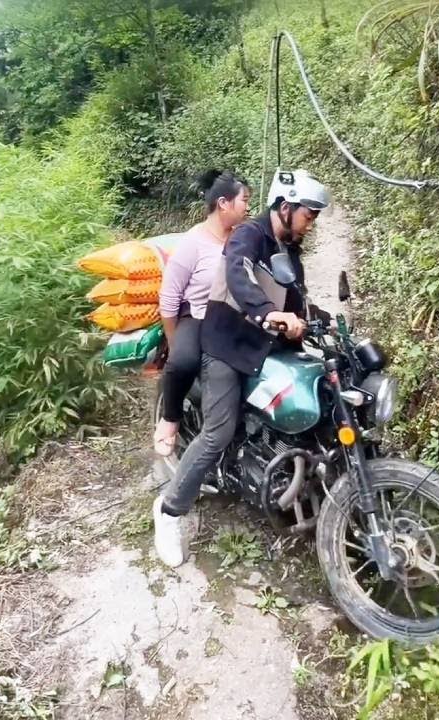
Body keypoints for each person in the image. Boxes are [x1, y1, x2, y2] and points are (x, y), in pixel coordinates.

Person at [152, 169, 331, 568]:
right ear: (285, 208)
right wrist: (269, 313)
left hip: (265, 347)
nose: (311, 224)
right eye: (309, 215)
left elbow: (296, 301)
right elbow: (238, 275)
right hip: (226, 344)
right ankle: (168, 511)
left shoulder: (289, 252)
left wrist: (321, 321)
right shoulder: (248, 235)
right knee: (217, 433)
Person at [153, 170, 252, 457]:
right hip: (198, 315)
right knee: (183, 362)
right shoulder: (193, 242)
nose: (248, 207)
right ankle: (170, 418)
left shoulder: (243, 238)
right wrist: (174, 342)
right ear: (224, 203)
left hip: (233, 317)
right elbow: (170, 295)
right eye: (245, 200)